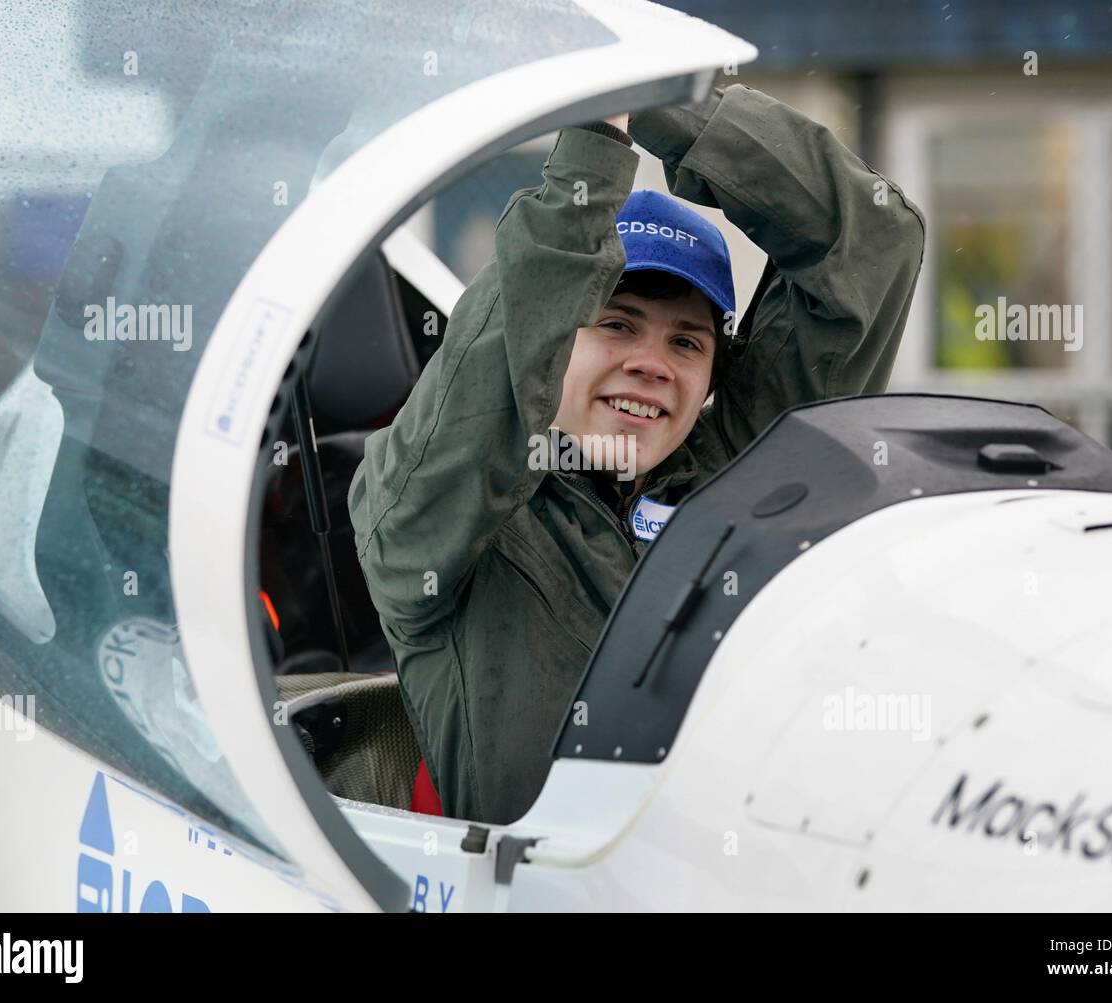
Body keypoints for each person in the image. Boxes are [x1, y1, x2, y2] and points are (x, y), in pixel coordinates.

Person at [348, 84, 925, 824]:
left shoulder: (745, 484)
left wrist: (657, 100)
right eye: (617, 324)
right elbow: (487, 391)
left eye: (686, 340)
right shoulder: (449, 522)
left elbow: (872, 242)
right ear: (559, 336)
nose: (653, 362)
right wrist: (592, 148)